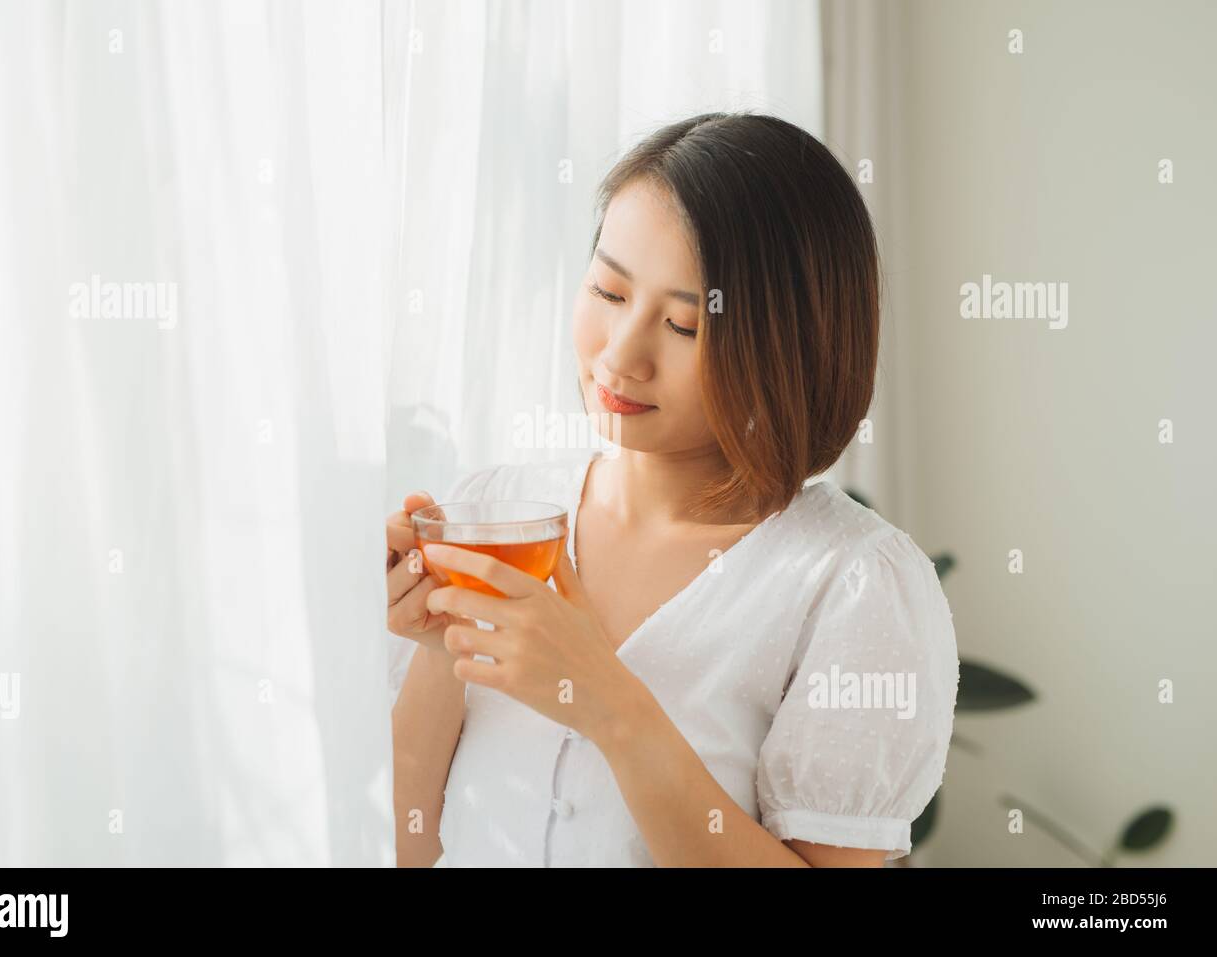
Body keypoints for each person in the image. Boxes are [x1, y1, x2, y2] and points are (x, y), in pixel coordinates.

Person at [385, 111, 959, 867]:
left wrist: (610, 706)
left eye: (684, 325)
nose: (621, 356)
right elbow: (409, 848)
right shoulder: (495, 512)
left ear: (786, 349)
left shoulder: (852, 586)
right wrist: (438, 646)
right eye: (609, 291)